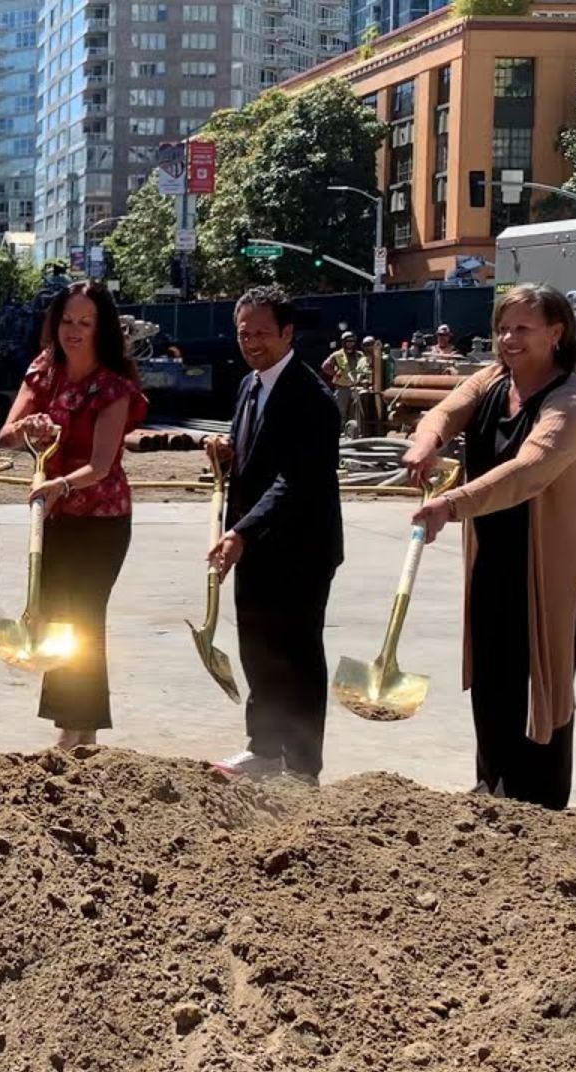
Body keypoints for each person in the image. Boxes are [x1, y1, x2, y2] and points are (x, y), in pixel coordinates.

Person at [403, 284, 576, 810]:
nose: (508, 339)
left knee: (542, 681)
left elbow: (529, 470)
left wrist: (451, 504)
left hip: (557, 564)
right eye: (502, 328)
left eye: (522, 328)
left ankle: (540, 804)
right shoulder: (493, 379)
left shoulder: (572, 400)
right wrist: (426, 442)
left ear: (556, 333)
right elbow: (445, 411)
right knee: (493, 672)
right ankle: (492, 789)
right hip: (496, 551)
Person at [0, 281, 147, 748]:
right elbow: (5, 435)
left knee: (84, 618)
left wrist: (59, 485)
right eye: (67, 321)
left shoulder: (113, 386)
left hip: (101, 520)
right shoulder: (44, 371)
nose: (74, 331)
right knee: (56, 616)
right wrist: (29, 426)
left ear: (102, 329)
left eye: (85, 322)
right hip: (55, 517)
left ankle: (81, 733)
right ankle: (74, 728)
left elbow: (100, 466)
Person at [203, 286, 343, 783]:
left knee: (297, 654)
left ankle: (303, 767)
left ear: (287, 333)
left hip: (301, 548)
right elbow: (259, 459)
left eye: (262, 332)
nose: (252, 342)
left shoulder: (312, 398)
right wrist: (228, 454)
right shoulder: (250, 385)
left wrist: (242, 531)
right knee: (258, 648)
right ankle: (264, 749)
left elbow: (296, 481)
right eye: (244, 333)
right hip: (254, 543)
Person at [323, 331, 371, 434]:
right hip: (342, 387)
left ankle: (354, 431)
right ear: (343, 342)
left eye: (352, 341)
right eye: (348, 341)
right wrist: (335, 373)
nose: (350, 343)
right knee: (341, 410)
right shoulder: (337, 355)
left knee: (356, 410)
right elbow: (325, 366)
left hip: (356, 387)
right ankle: (339, 431)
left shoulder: (359, 355)